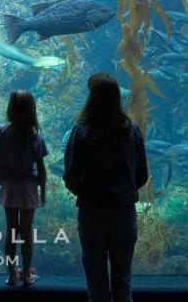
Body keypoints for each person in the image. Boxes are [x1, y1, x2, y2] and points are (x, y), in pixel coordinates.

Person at [64, 73, 149, 302]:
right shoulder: (131, 129)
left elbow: (70, 175)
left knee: (96, 287)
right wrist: (124, 192)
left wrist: (87, 193)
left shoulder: (81, 131)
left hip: (92, 214)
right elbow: (142, 175)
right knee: (123, 286)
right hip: (124, 213)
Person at [0, 90, 48, 287]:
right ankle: (25, 274)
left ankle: (11, 275)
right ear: (32, 111)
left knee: (11, 232)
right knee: (26, 233)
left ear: (10, 110)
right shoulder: (36, 138)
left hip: (9, 188)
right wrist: (43, 192)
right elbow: (41, 170)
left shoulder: (1, 131)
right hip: (28, 189)